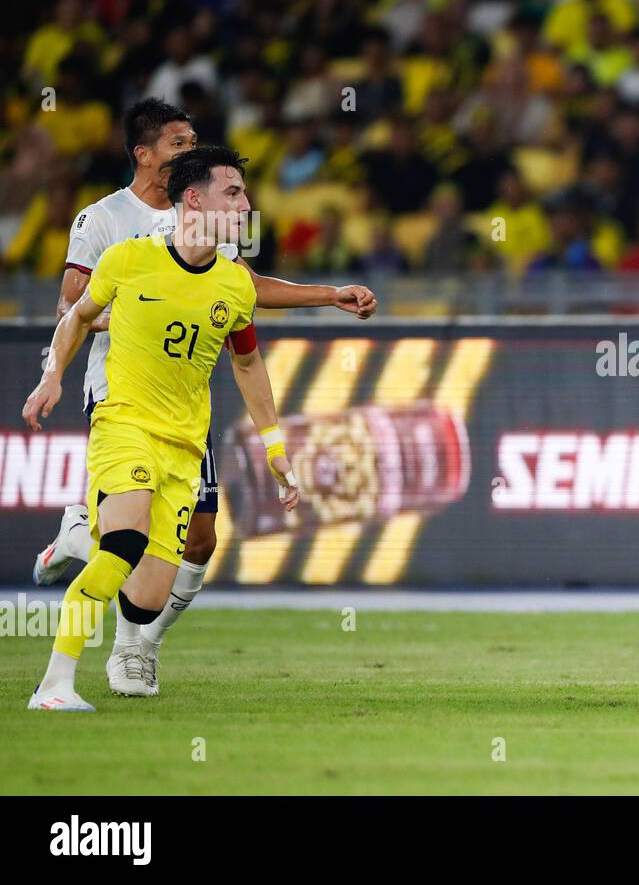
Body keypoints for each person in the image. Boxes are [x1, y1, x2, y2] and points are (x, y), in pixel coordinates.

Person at [33, 98, 376, 698]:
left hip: (184, 416)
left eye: (193, 141)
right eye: (177, 142)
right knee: (127, 537)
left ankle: (121, 605)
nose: (189, 151)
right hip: (118, 393)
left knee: (193, 546)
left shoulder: (216, 255)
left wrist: (327, 294)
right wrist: (61, 365)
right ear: (146, 155)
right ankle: (73, 672)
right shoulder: (108, 228)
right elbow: (73, 308)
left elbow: (245, 306)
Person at [23, 145, 301, 711]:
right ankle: (54, 686)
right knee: (125, 542)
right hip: (123, 421)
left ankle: (82, 537)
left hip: (184, 446)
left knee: (145, 597)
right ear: (193, 199)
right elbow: (74, 318)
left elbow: (247, 364)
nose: (246, 203)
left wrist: (276, 450)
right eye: (234, 192)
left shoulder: (235, 285)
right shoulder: (127, 259)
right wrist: (52, 376)